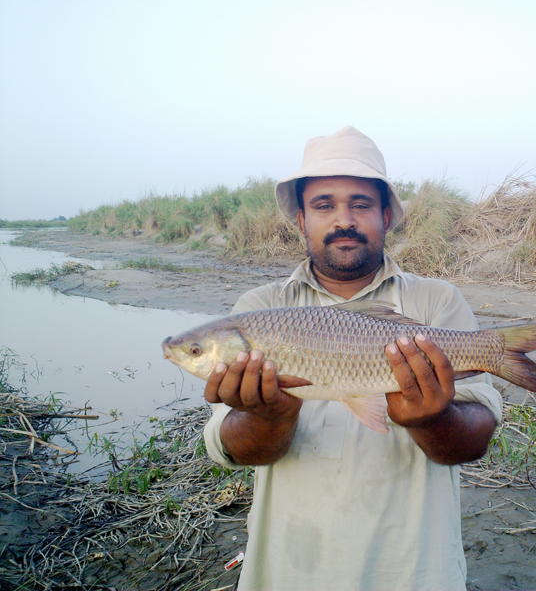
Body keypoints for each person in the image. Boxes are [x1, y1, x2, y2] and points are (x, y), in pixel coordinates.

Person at [202, 126, 503, 590]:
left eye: (360, 204)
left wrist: (430, 417)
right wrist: (268, 417)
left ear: (385, 216)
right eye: (324, 205)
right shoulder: (257, 309)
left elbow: (473, 443)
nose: (344, 219)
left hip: (413, 571)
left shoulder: (437, 302)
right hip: (291, 568)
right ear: (301, 219)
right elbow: (238, 451)